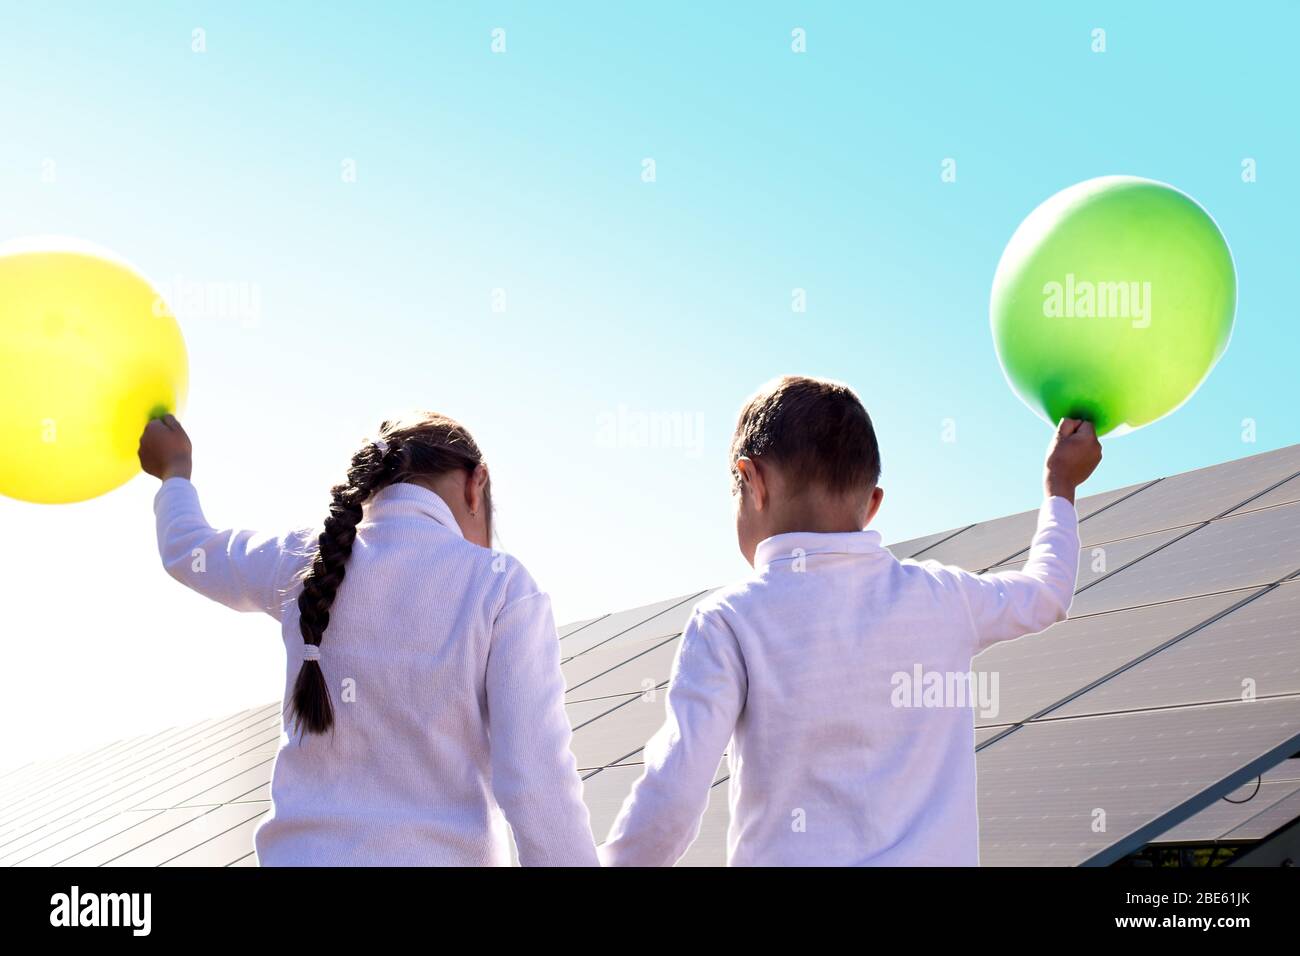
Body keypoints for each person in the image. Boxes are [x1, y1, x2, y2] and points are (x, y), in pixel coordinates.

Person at [600, 375, 1101, 866]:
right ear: (873, 504)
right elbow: (1047, 592)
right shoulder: (945, 597)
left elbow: (671, 801)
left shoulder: (729, 621)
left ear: (751, 481)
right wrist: (1060, 484)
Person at [138, 412, 598, 866]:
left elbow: (189, 551)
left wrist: (174, 473)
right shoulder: (501, 586)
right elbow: (536, 782)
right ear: (475, 485)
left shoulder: (303, 559)